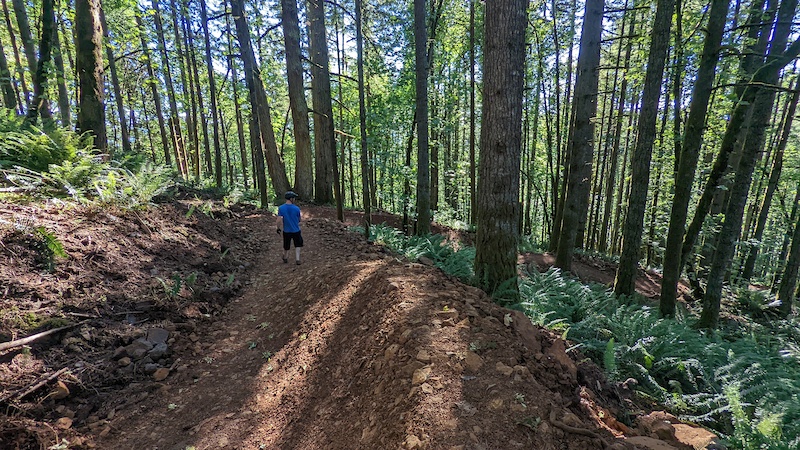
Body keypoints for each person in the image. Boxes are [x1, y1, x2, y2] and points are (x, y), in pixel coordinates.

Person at [276, 191, 303, 264]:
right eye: (294, 198)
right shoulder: (296, 208)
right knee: (298, 245)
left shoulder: (281, 208)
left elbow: (279, 220)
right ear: (291, 199)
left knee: (286, 245)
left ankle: (285, 257)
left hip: (286, 230)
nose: (294, 199)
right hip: (296, 230)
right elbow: (299, 219)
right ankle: (297, 259)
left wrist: (278, 228)